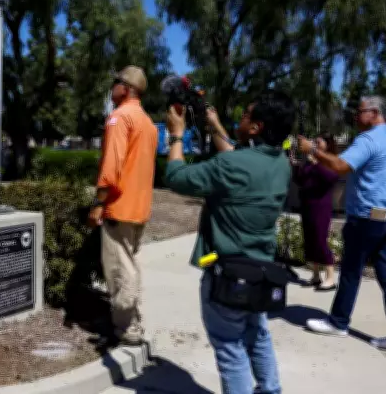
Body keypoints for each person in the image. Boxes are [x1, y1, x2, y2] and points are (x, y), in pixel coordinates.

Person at [163, 90, 296, 394]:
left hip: (227, 277)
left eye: (247, 115)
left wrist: (176, 136)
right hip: (261, 274)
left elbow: (176, 176)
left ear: (257, 127)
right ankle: (270, 390)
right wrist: (214, 124)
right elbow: (237, 156)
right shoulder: (281, 164)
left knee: (230, 348)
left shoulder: (232, 166)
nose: (242, 117)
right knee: (258, 335)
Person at [298, 95, 386, 356]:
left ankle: (338, 322)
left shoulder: (369, 140)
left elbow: (340, 165)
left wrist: (312, 150)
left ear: (374, 113)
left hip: (367, 218)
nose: (355, 116)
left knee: (350, 271)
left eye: (359, 112)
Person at [87, 65, 158, 346]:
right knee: (130, 264)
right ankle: (132, 322)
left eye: (115, 82)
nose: (111, 87)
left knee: (120, 270)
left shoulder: (119, 118)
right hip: (139, 207)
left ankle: (127, 329)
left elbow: (110, 168)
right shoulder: (148, 123)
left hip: (119, 206)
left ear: (126, 89)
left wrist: (97, 203)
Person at [293, 133, 340, 290]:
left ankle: (331, 276)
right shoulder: (310, 162)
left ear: (327, 145)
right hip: (307, 204)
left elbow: (330, 178)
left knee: (320, 240)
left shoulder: (329, 161)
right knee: (310, 240)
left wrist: (316, 163)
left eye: (318, 142)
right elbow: (300, 180)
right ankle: (315, 275)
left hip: (321, 206)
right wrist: (295, 165)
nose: (314, 144)